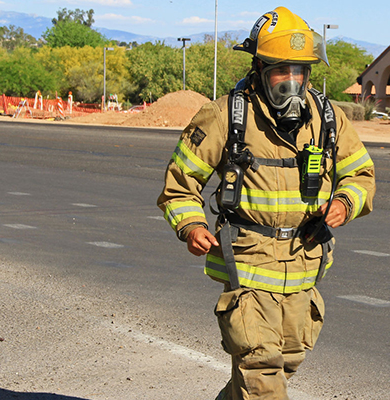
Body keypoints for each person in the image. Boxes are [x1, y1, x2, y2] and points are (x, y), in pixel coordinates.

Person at [157, 6, 376, 400]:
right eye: (281, 72)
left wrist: (346, 201)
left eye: (300, 72)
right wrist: (190, 225)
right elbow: (180, 183)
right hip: (248, 266)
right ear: (260, 69)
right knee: (260, 370)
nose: (291, 83)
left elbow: (361, 173)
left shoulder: (329, 119)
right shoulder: (225, 116)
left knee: (285, 362)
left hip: (306, 264)